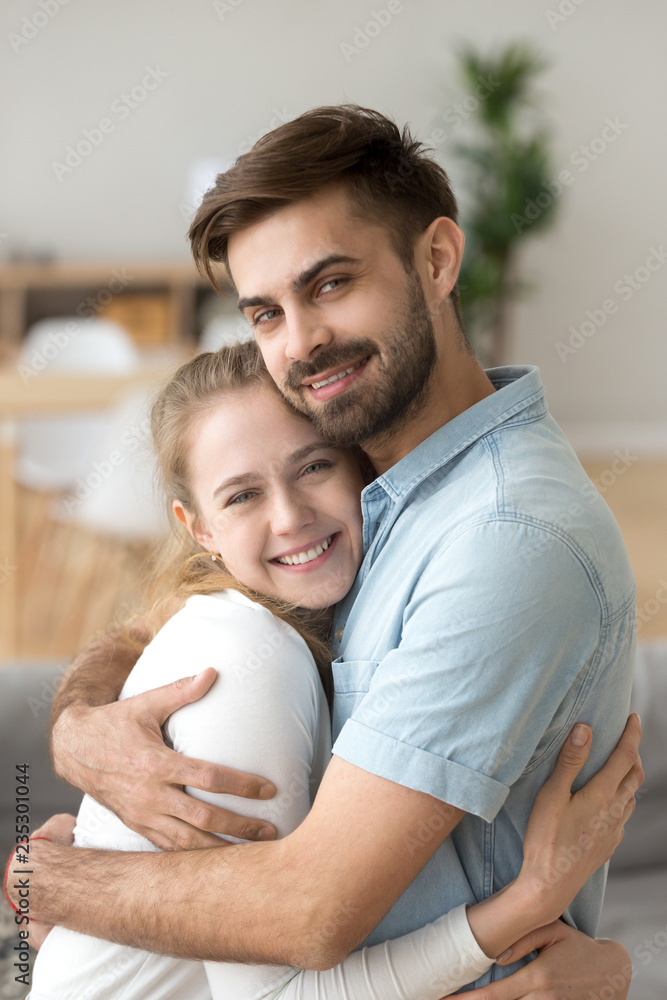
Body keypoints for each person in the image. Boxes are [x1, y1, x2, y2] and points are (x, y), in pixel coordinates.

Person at [17, 105, 641, 995]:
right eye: (265, 311)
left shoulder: (501, 540)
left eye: (331, 284)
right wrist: (79, 726)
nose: (300, 342)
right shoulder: (372, 483)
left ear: (435, 260)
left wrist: (46, 884)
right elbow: (197, 603)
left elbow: (306, 918)